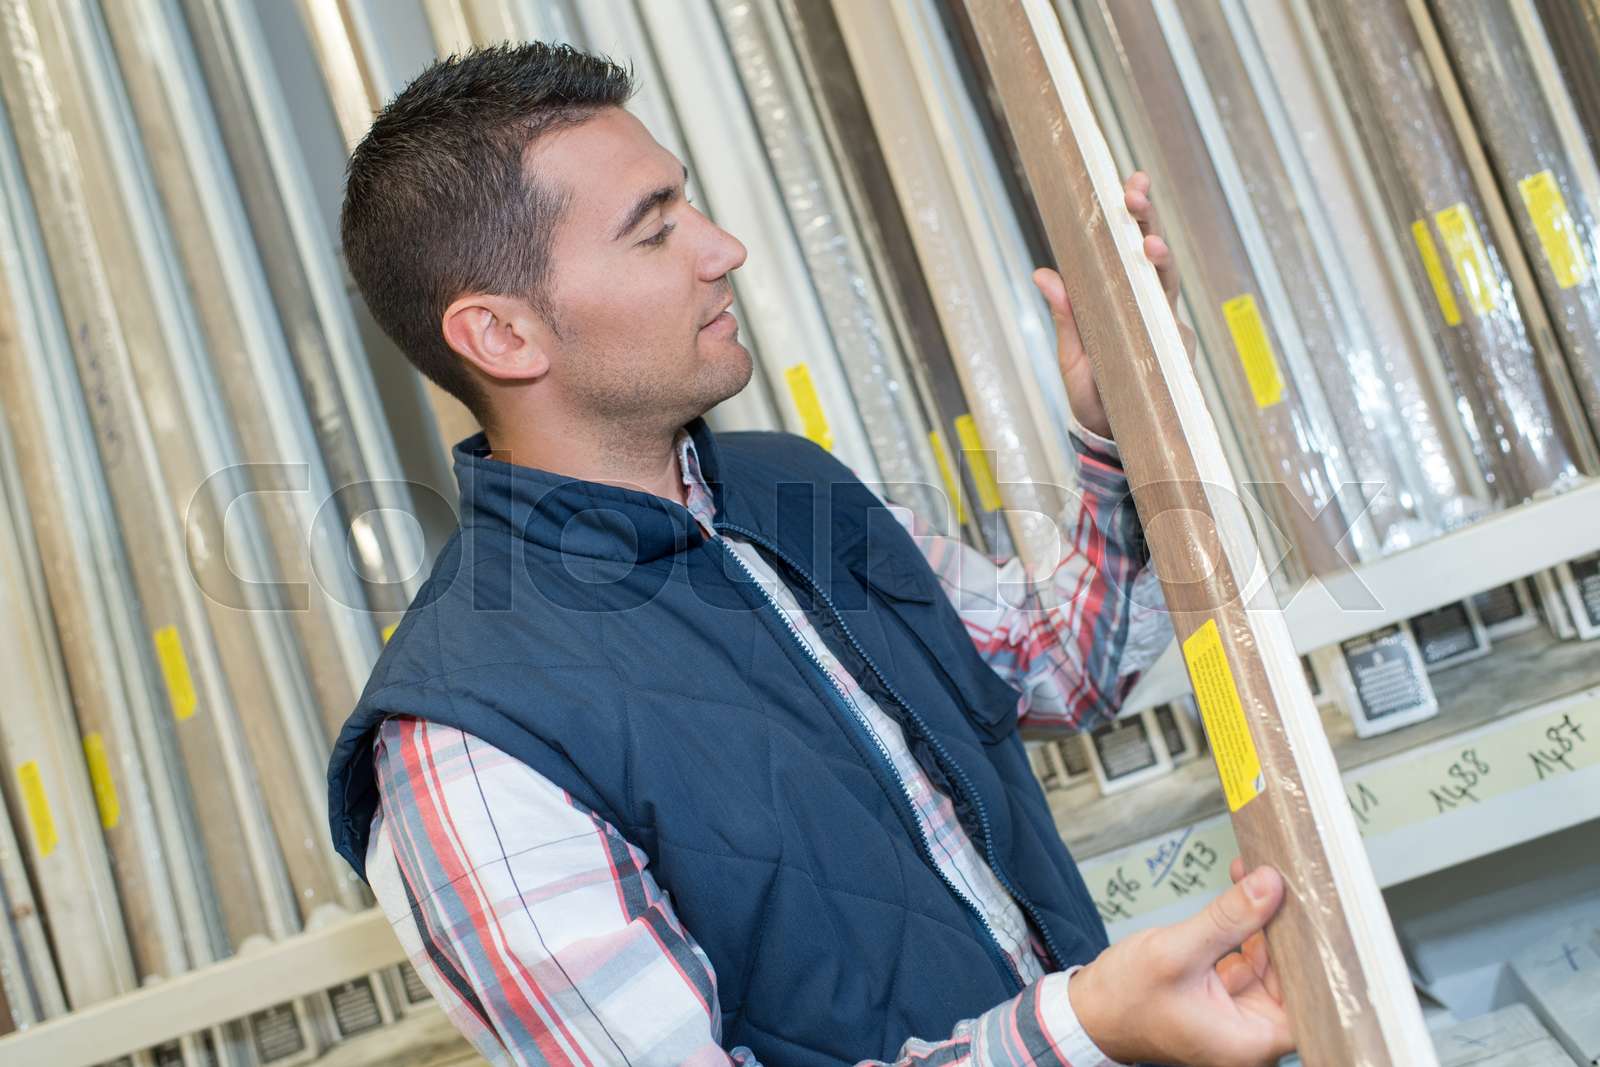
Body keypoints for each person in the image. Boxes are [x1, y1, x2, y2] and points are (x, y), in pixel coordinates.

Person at [326, 42, 1294, 1067]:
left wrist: (1119, 427)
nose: (724, 248)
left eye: (687, 203)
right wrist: (1079, 1030)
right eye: (655, 231)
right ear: (502, 335)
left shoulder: (791, 489)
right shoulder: (468, 737)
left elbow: (1062, 665)